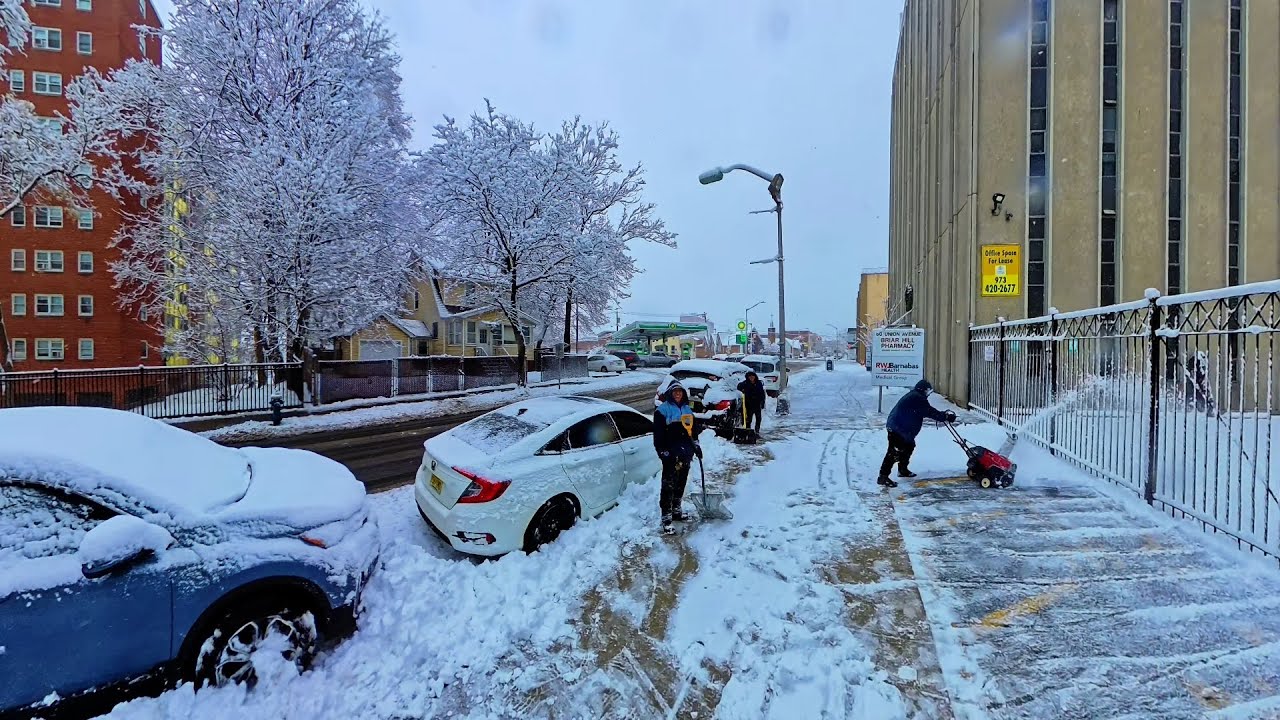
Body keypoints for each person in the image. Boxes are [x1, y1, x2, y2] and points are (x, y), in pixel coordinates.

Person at [879, 379, 956, 487]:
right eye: (928, 392)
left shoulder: (915, 395)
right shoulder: (917, 398)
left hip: (902, 429)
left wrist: (944, 416)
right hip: (898, 429)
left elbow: (926, 410)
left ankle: (903, 469)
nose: (928, 394)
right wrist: (945, 416)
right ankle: (883, 477)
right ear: (923, 390)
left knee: (909, 446)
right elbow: (929, 411)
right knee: (893, 452)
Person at [653, 381, 702, 534]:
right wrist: (663, 452)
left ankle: (676, 511)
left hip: (685, 452)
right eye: (675, 392)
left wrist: (696, 445)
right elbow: (658, 435)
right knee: (668, 486)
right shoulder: (662, 411)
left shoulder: (687, 409)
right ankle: (666, 518)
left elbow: (692, 432)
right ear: (670, 394)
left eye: (680, 392)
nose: (678, 394)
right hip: (670, 454)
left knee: (681, 483)